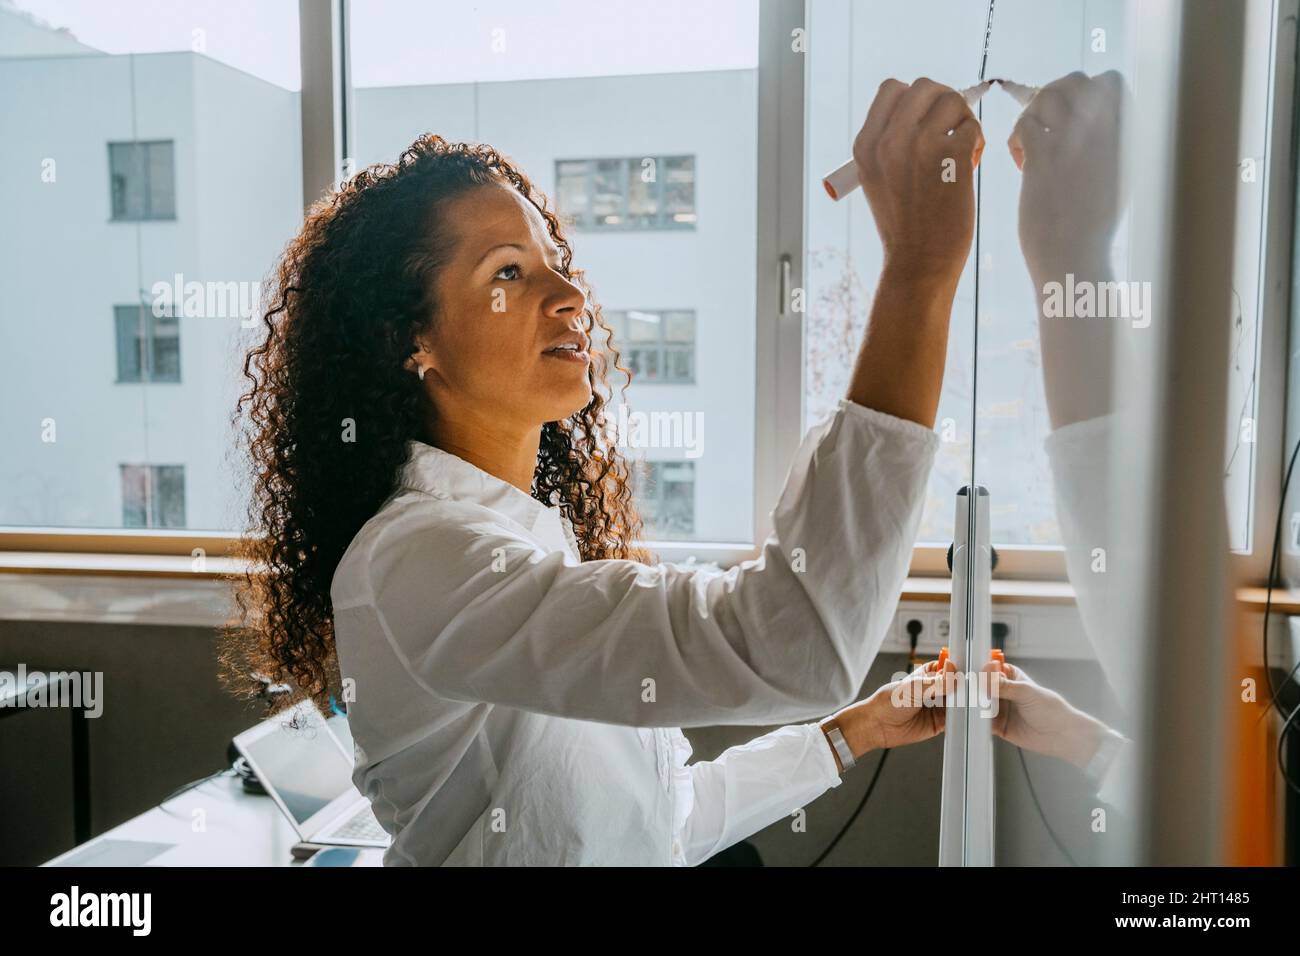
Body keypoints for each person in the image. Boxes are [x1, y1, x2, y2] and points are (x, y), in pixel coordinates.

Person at [222, 77, 984, 865]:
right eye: (508, 273)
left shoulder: (532, 540)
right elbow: (793, 645)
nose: (567, 293)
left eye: (556, 262)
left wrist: (855, 732)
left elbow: (662, 825)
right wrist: (920, 273)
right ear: (409, 341)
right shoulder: (416, 559)